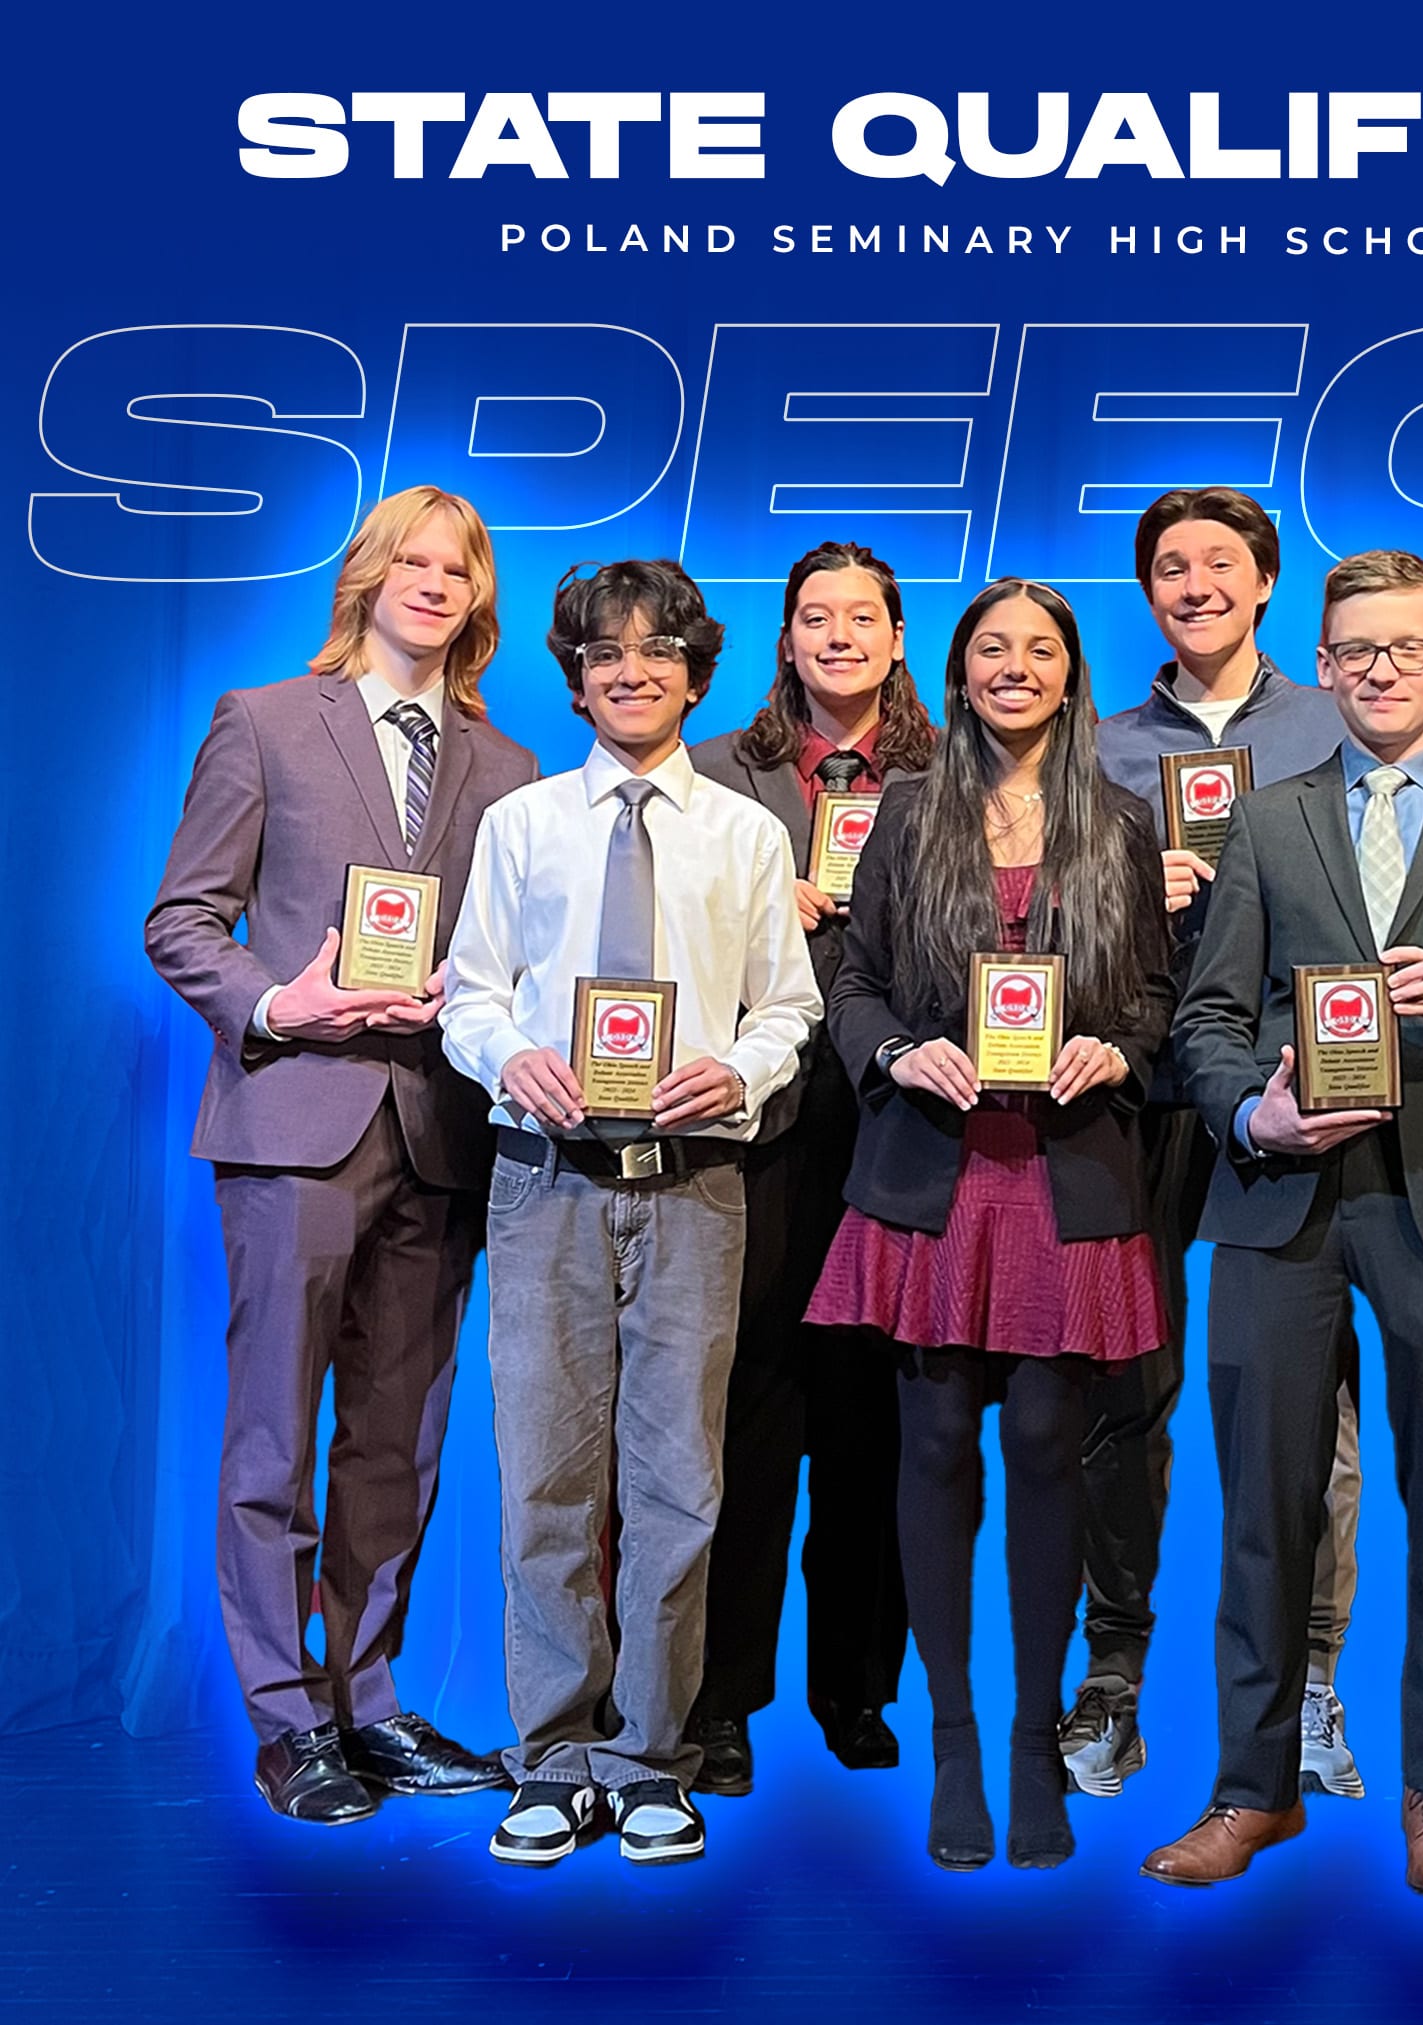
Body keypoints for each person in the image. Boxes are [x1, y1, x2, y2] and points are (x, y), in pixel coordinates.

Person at [1143, 550, 1423, 1897]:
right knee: (1262, 1512)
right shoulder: (1267, 825)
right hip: (1278, 1205)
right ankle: (1249, 1790)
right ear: (1323, 665)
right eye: (1355, 650)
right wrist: (1248, 1117)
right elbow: (1206, 1022)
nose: (1380, 669)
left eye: (1406, 647)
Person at [145, 486, 537, 1824]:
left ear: (478, 599)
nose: (434, 585)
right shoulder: (261, 722)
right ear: (365, 578)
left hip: (439, 1134)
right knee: (273, 1435)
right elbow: (184, 921)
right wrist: (279, 1002)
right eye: (411, 562)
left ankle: (367, 1704)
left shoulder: (506, 765)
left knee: (397, 1444)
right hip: (293, 1121)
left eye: (458, 569)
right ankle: (285, 1718)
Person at [441, 559, 822, 1867]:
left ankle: (653, 1755)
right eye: (604, 653)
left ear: (696, 675)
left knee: (678, 1483)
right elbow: (469, 994)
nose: (630, 670)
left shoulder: (746, 836)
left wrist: (745, 1065)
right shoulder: (526, 824)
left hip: (695, 1186)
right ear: (576, 676)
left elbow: (790, 1006)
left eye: (657, 651)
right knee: (547, 1474)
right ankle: (550, 1754)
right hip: (543, 1182)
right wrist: (509, 1058)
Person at [807, 578, 1173, 1872]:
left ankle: (1033, 1741)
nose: (1014, 667)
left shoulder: (1120, 824)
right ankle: (954, 1740)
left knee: (1041, 1450)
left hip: (1065, 1182)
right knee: (933, 1450)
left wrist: (1114, 1058)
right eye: (990, 649)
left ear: (1071, 678)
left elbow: (1156, 1009)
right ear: (957, 673)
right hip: (931, 1179)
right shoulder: (906, 814)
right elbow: (851, 978)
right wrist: (898, 1053)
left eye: (1040, 651)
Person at [1077, 486, 1366, 1803]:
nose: (1193, 584)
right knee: (1117, 1395)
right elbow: (1045, 933)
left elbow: (1388, 883)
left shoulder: (1329, 720)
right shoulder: (1094, 744)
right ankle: (1113, 1684)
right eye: (1168, 568)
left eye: (1218, 564)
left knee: (1306, 1408)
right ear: (1147, 594)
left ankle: (1308, 1687)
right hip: (1136, 1088)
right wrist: (1132, 898)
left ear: (1263, 586)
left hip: (1284, 1084)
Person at [684, 542, 932, 1793]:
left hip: (900, 1123)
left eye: (862, 618)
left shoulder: (954, 777)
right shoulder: (719, 773)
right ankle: (723, 1694)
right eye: (813, 618)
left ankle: (857, 1686)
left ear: (898, 638)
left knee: (874, 1410)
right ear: (784, 640)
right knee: (748, 1405)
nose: (838, 636)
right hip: (757, 1126)